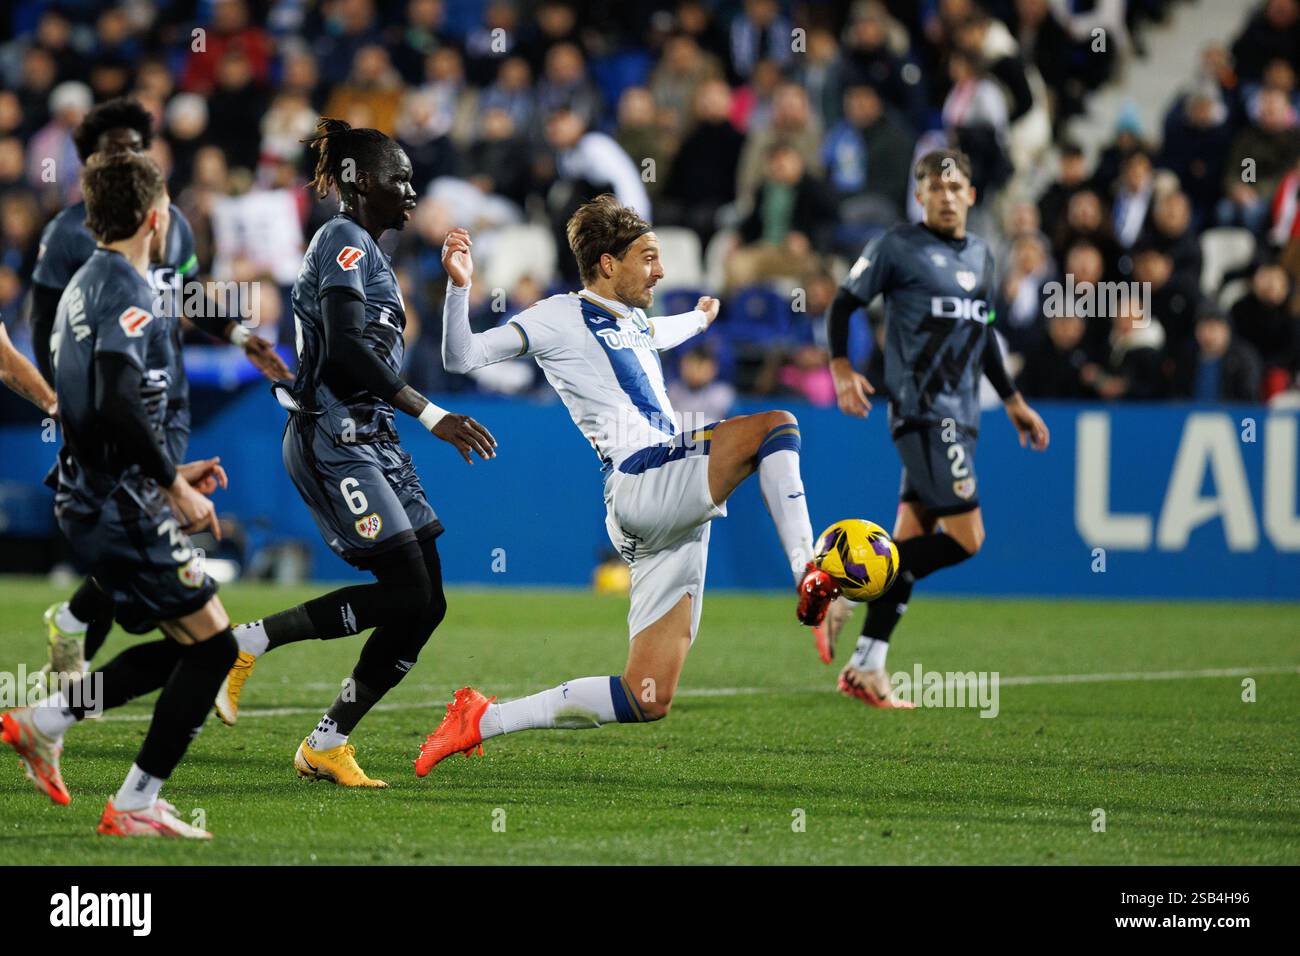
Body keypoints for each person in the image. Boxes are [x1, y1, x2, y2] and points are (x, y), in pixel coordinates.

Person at [415, 194, 837, 773]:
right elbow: (461, 357)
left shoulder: (634, 322)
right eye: (649, 257)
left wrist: (701, 319)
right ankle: (805, 569)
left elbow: (658, 333)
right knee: (775, 426)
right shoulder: (556, 316)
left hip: (668, 509)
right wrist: (460, 287)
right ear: (609, 264)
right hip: (643, 476)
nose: (661, 271)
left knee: (647, 696)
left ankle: (482, 718)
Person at [211, 119, 496, 788]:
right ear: (361, 182)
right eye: (399, 178)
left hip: (374, 439)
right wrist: (431, 411)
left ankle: (327, 742)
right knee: (405, 588)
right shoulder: (341, 238)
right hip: (335, 438)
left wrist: (457, 287)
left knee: (425, 605)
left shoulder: (368, 252)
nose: (411, 189)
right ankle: (245, 643)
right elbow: (341, 346)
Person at [1, 151, 234, 838]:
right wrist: (168, 482)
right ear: (157, 220)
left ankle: (46, 721)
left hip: (99, 491)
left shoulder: (81, 284)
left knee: (192, 642)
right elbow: (118, 397)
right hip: (119, 499)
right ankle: (133, 803)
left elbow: (88, 406)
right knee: (214, 649)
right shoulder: (126, 289)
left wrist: (165, 469)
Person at [31, 97, 289, 685]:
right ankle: (95, 675)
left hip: (163, 398)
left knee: (136, 535)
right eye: (113, 149)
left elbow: (186, 292)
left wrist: (241, 334)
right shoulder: (69, 236)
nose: (126, 155)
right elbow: (48, 325)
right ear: (90, 162)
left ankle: (79, 638)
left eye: (134, 146)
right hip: (109, 401)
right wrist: (66, 397)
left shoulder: (167, 223)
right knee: (133, 534)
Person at [823, 149, 1050, 707]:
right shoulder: (897, 247)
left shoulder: (983, 254)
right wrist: (842, 369)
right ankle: (842, 586)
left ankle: (866, 665)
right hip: (924, 414)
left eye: (956, 188)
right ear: (919, 195)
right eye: (935, 187)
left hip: (965, 417)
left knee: (908, 544)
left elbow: (983, 334)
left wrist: (1014, 401)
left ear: (972, 195)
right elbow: (842, 305)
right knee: (967, 539)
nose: (947, 196)